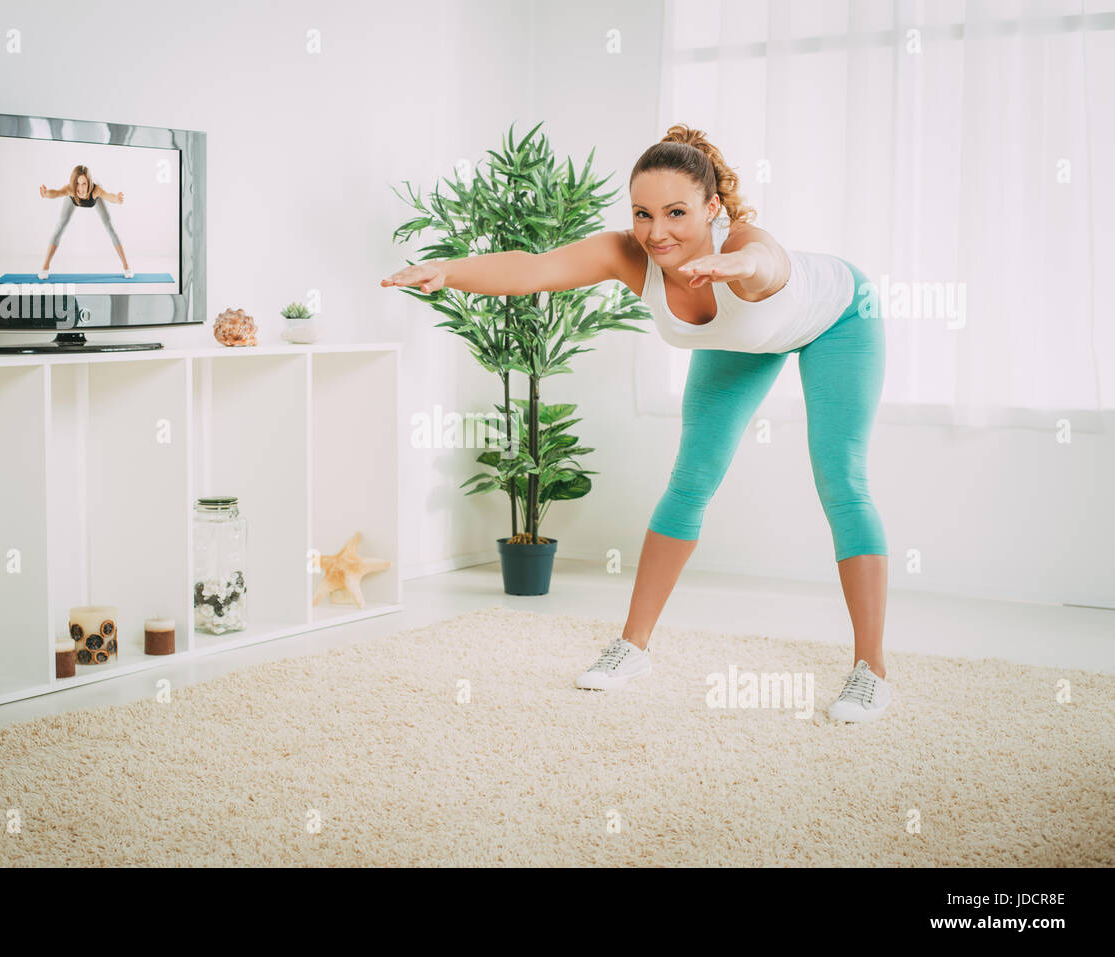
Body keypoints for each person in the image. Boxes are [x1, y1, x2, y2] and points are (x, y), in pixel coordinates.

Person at [381, 125, 893, 723]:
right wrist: (450, 270)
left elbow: (765, 264)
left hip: (838, 319)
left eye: (677, 213)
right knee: (689, 482)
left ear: (713, 208)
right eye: (643, 213)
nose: (657, 232)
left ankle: (871, 670)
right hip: (743, 340)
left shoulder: (746, 244)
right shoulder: (631, 253)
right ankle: (633, 647)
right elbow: (534, 268)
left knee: (841, 480)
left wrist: (736, 263)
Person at [37, 164, 132, 279]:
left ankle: (126, 266)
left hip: (95, 197)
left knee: (109, 226)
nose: (81, 189)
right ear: (73, 183)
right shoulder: (71, 189)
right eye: (77, 183)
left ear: (89, 184)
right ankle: (45, 267)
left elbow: (108, 196)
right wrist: (46, 194)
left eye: (84, 184)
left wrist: (116, 199)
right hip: (73, 198)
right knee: (61, 225)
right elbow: (56, 193)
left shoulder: (95, 190)